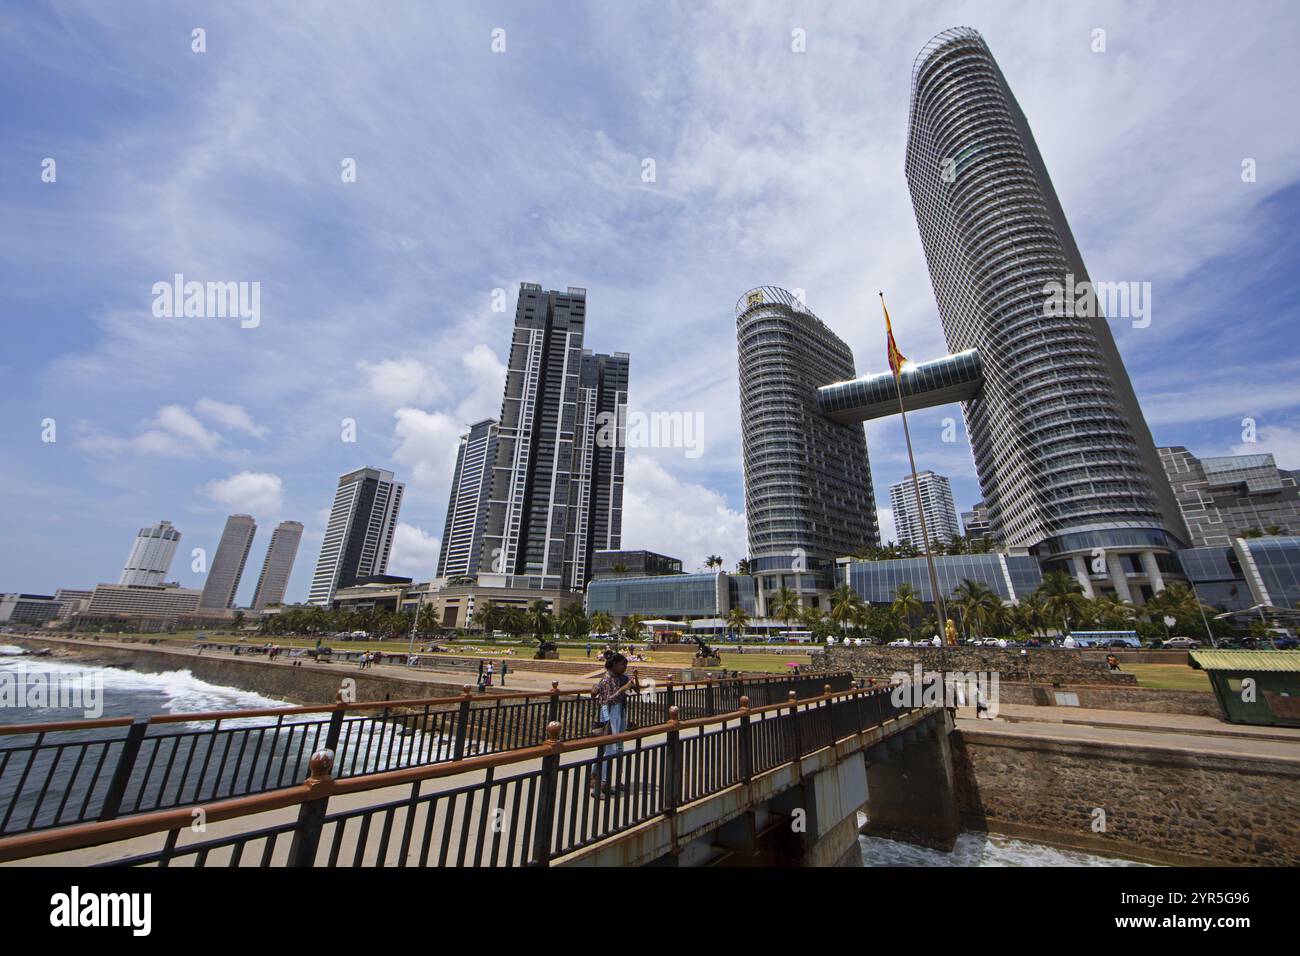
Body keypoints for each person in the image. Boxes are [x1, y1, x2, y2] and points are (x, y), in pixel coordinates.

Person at [590, 654, 640, 796]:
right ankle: (601, 783)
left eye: (626, 665)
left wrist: (635, 679)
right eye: (622, 665)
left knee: (615, 748)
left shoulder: (622, 677)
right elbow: (607, 700)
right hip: (609, 714)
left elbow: (637, 689)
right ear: (613, 665)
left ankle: (603, 778)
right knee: (609, 748)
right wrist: (623, 689)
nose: (624, 668)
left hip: (620, 713)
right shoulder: (606, 680)